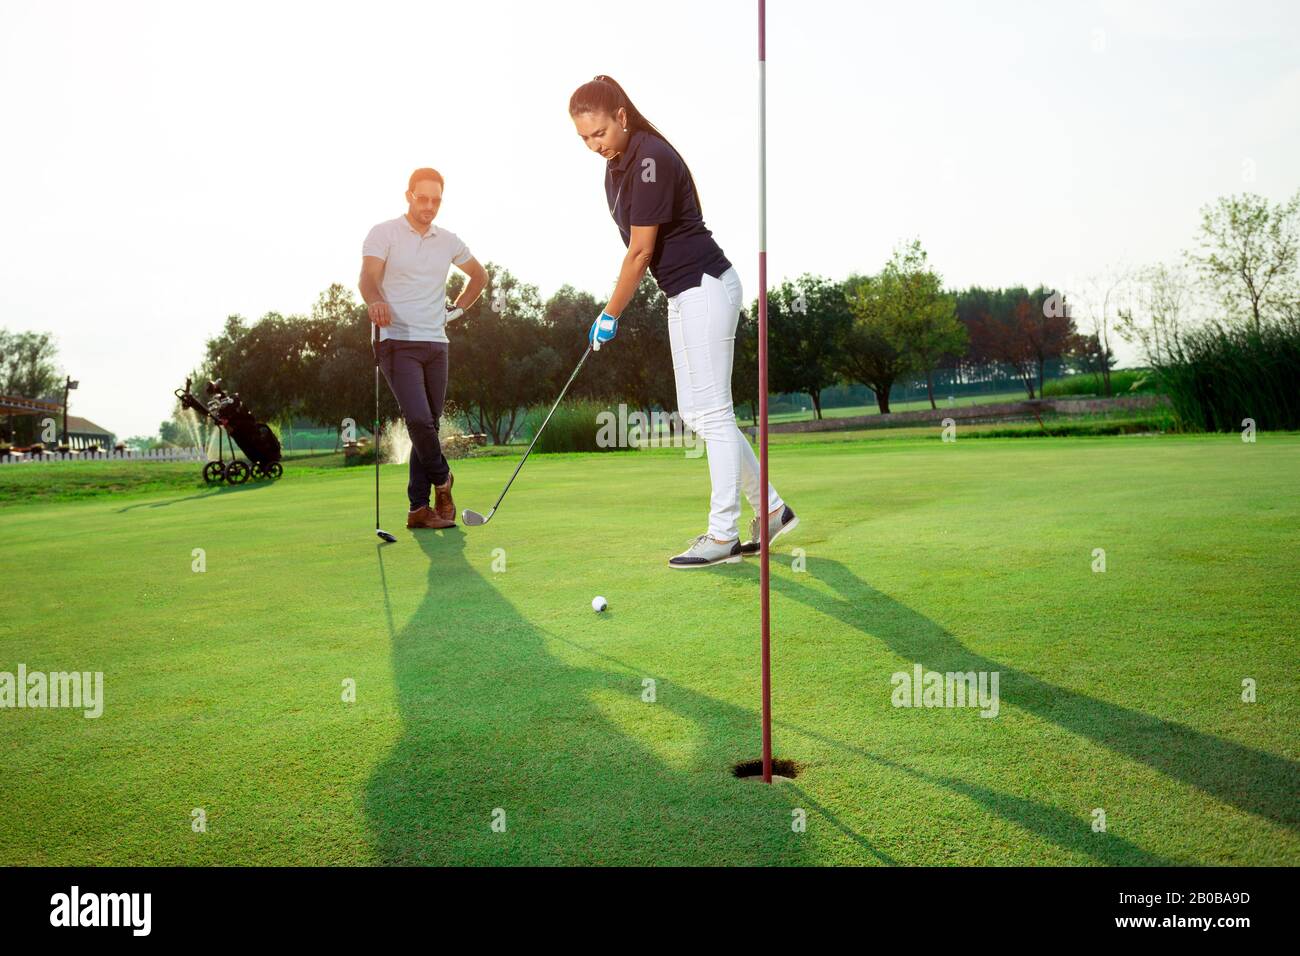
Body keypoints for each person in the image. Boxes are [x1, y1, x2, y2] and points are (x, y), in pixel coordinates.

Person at [569, 75, 798, 569]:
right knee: (697, 413)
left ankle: (722, 536)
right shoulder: (617, 165)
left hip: (705, 285)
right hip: (683, 293)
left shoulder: (649, 159)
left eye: (600, 133)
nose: (594, 145)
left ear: (621, 117)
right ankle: (772, 509)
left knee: (713, 413)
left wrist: (610, 313)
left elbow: (641, 251)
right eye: (584, 138)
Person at [359, 168, 487, 529]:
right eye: (423, 198)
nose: (429, 206)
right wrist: (374, 301)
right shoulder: (383, 233)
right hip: (395, 340)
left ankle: (418, 509)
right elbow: (367, 278)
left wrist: (458, 309)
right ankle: (443, 481)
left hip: (437, 343)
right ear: (409, 195)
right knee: (418, 419)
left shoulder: (448, 240)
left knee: (426, 425)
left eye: (436, 200)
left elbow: (480, 276)